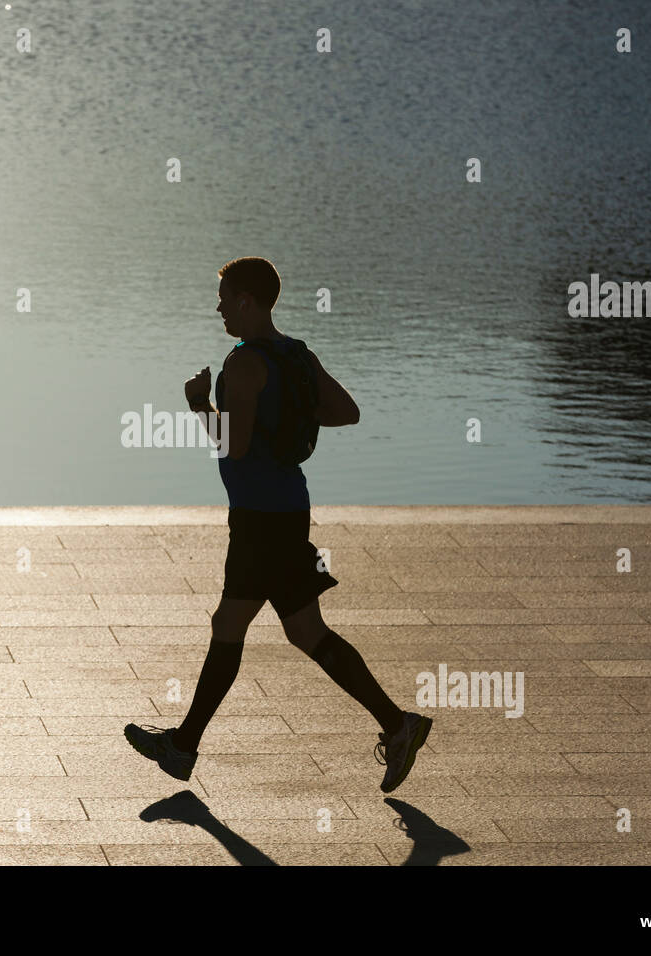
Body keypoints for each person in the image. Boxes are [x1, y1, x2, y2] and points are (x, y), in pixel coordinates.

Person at [124, 256, 431, 793]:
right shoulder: (297, 355)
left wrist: (199, 404)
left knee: (232, 626)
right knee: (303, 631)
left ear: (247, 300)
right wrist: (286, 413)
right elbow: (345, 412)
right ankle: (397, 725)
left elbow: (233, 446)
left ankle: (181, 748)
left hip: (259, 520)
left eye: (224, 298)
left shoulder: (241, 365)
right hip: (290, 509)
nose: (217, 308)